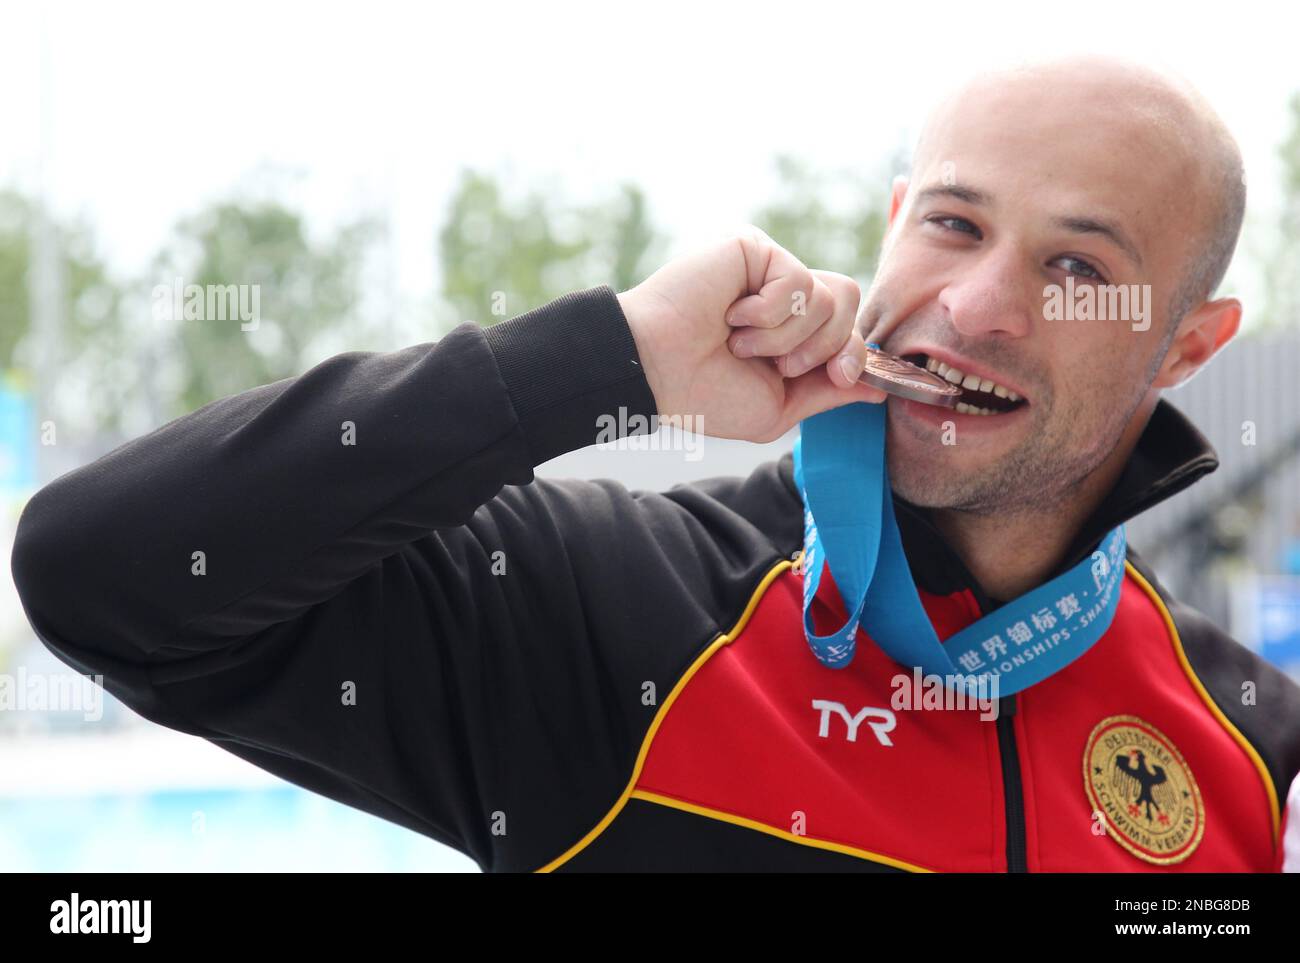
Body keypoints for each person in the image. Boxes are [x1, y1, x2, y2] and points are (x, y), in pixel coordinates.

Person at [13, 55, 1300, 872]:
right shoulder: (615, 613)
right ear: (893, 226)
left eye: (1075, 267)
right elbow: (97, 574)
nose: (970, 307)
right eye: (953, 225)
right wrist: (612, 361)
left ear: (1186, 344)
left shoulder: (1253, 745)